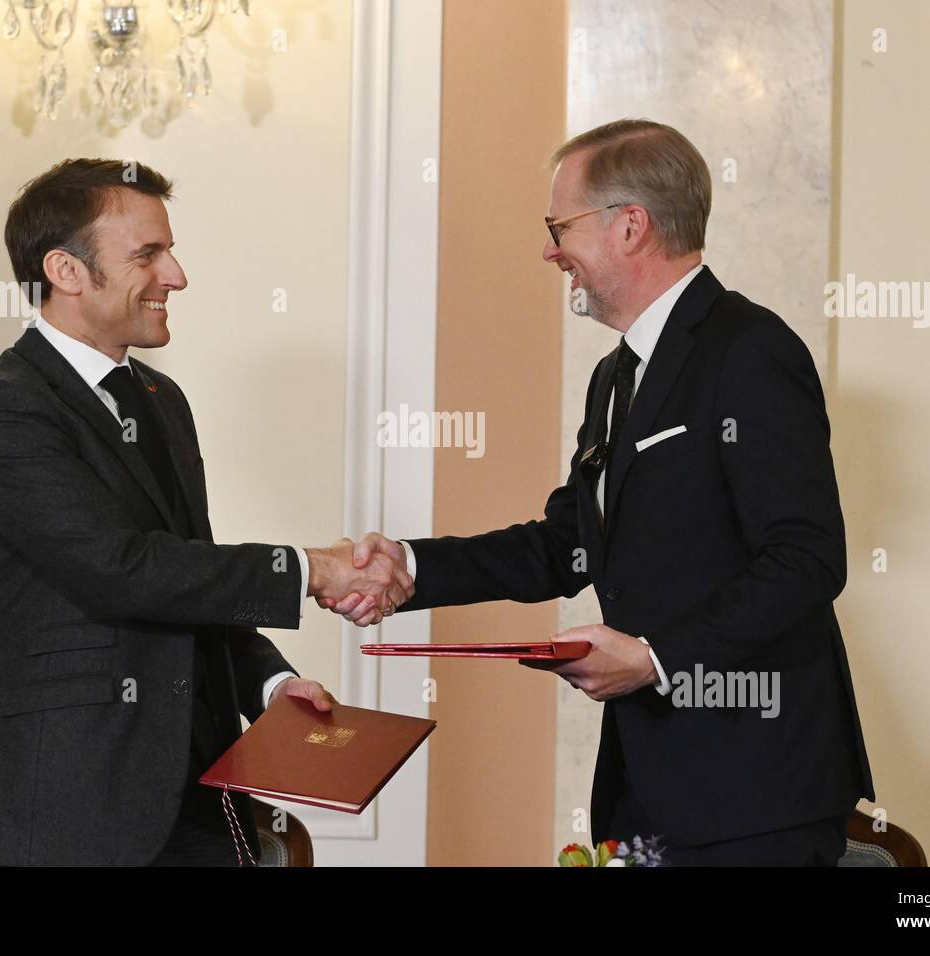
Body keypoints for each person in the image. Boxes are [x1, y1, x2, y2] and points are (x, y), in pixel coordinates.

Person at [326, 120, 874, 865]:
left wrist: (653, 656)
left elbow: (808, 560)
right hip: (650, 788)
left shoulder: (750, 350)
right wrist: (408, 569)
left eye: (559, 226)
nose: (549, 250)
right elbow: (567, 544)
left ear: (630, 226)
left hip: (757, 791)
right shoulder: (614, 376)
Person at [0, 158, 411, 866]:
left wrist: (272, 684)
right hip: (71, 806)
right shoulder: (3, 410)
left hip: (205, 800)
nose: (177, 275)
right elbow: (119, 570)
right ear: (67, 272)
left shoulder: (162, 404)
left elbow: (190, 577)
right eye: (147, 255)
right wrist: (309, 568)